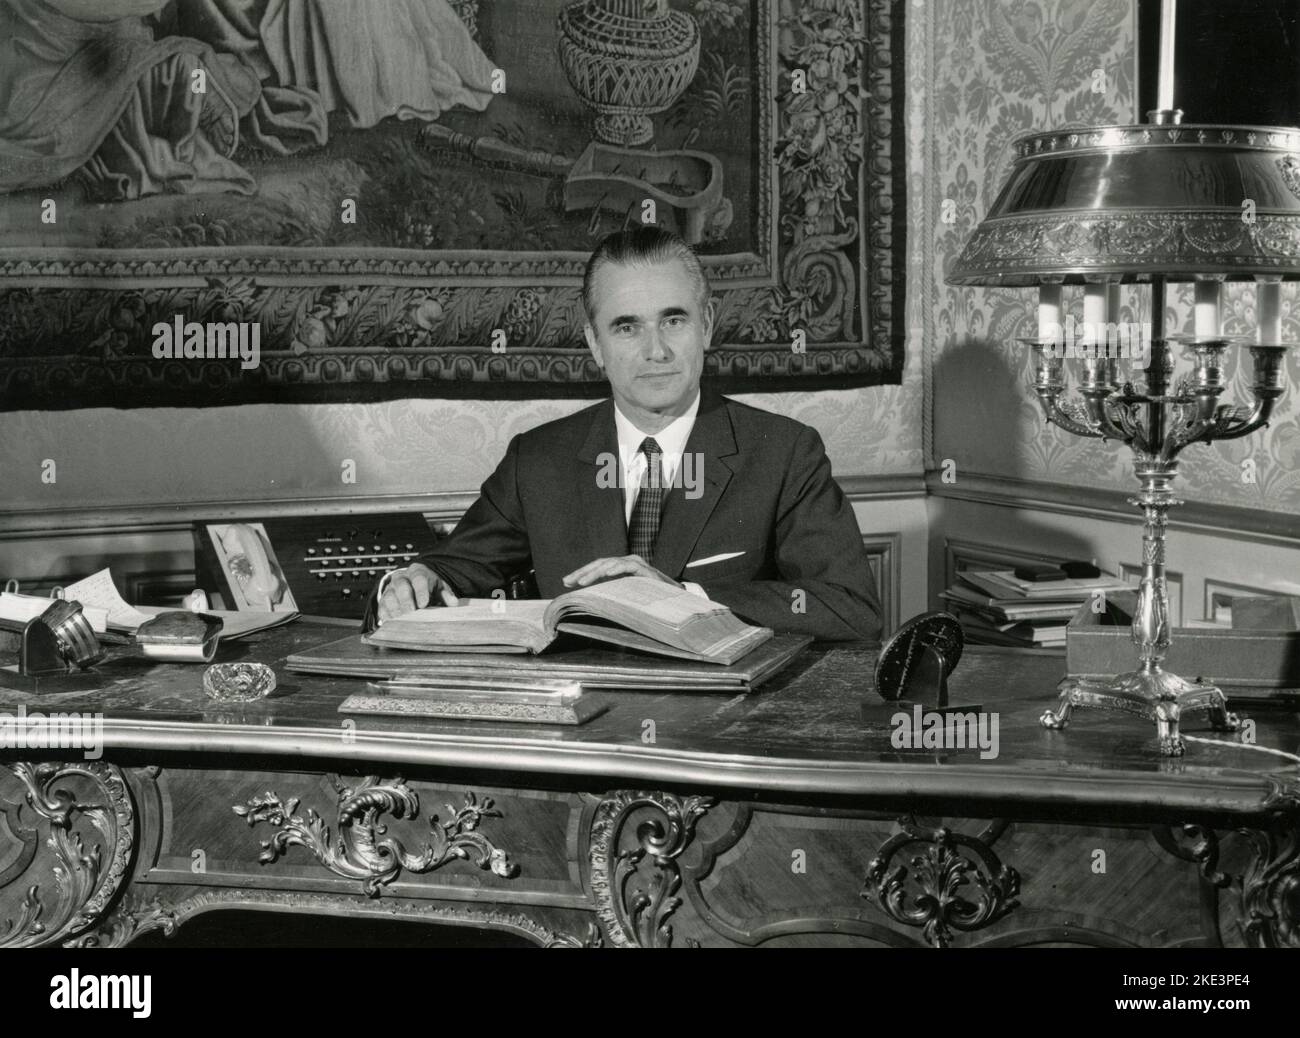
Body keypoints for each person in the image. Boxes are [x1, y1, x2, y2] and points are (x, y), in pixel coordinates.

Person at [377, 226, 882, 642]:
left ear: (706, 325)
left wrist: (684, 597)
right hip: (582, 718)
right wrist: (416, 580)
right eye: (626, 327)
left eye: (673, 320)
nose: (656, 351)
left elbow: (850, 608)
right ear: (595, 344)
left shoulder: (785, 452)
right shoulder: (538, 460)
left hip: (725, 723)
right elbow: (451, 569)